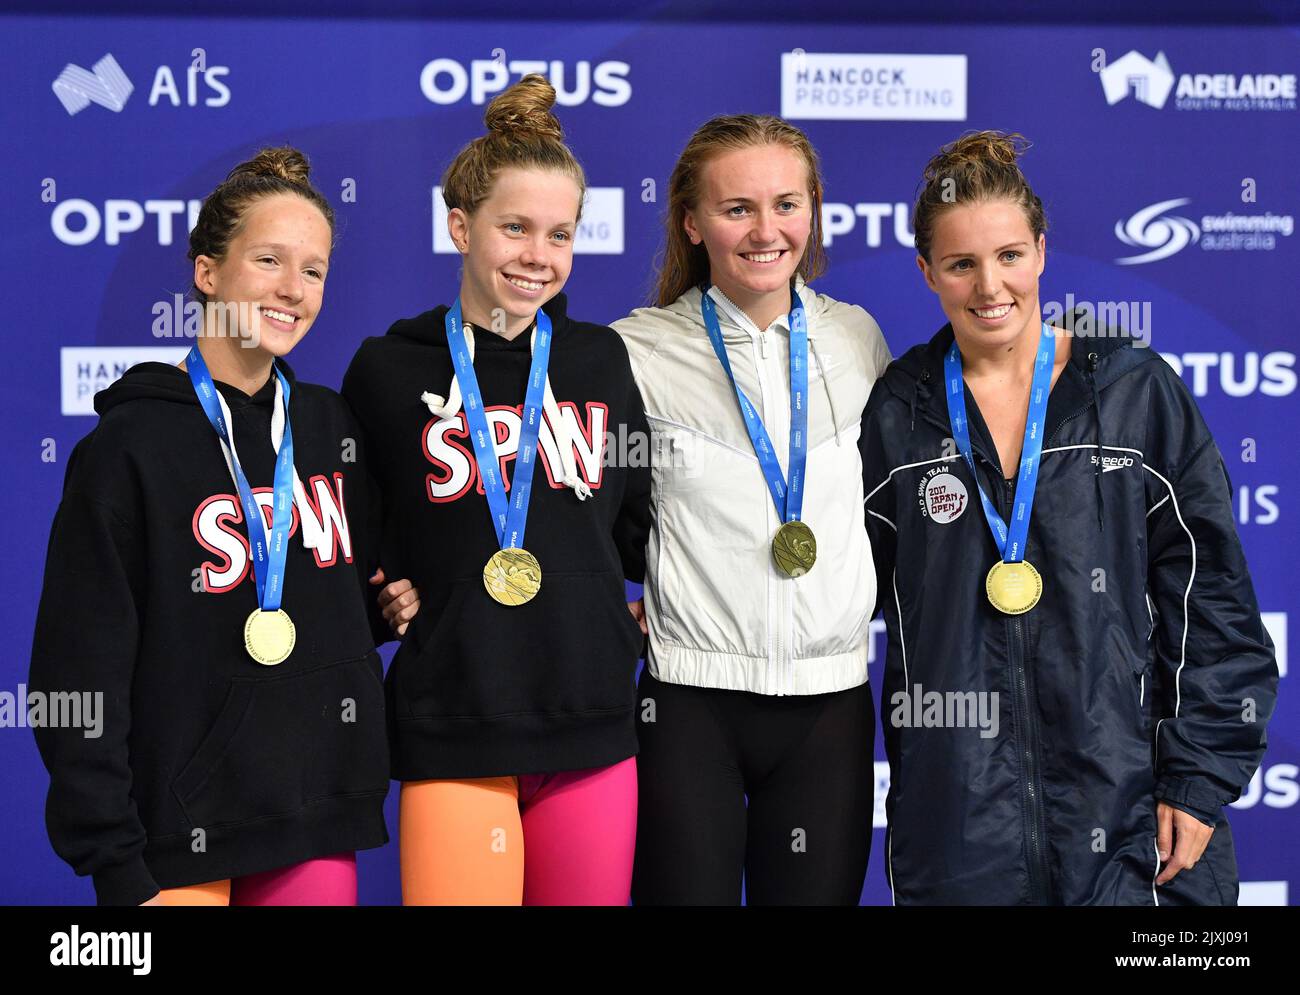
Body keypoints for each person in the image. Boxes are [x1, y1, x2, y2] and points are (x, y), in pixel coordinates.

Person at [860, 130, 1278, 905]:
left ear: (1042, 252)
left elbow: (1215, 602)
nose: (991, 285)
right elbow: (837, 595)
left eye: (1010, 255)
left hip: (1130, 814)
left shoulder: (1132, 391)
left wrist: (1195, 781)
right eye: (961, 263)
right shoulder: (897, 413)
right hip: (958, 829)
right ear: (927, 272)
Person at [30, 147, 413, 906]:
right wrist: (113, 854)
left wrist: (382, 608)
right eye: (268, 259)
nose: (292, 289)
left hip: (314, 819)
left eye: (314, 270)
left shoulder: (327, 423)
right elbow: (78, 668)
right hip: (174, 835)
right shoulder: (127, 447)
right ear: (207, 273)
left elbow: (323, 599)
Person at [341, 75, 651, 906]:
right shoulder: (386, 369)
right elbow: (342, 540)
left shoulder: (598, 361)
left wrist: (667, 604)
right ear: (459, 226)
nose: (537, 255)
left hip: (587, 716)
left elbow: (639, 525)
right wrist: (378, 608)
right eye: (514, 227)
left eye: (560, 233)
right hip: (454, 715)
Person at [612, 114, 891, 905]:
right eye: (738, 209)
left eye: (787, 204)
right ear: (692, 222)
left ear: (814, 210)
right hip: (688, 703)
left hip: (829, 705)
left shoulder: (858, 340)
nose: (766, 230)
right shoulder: (636, 351)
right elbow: (582, 508)